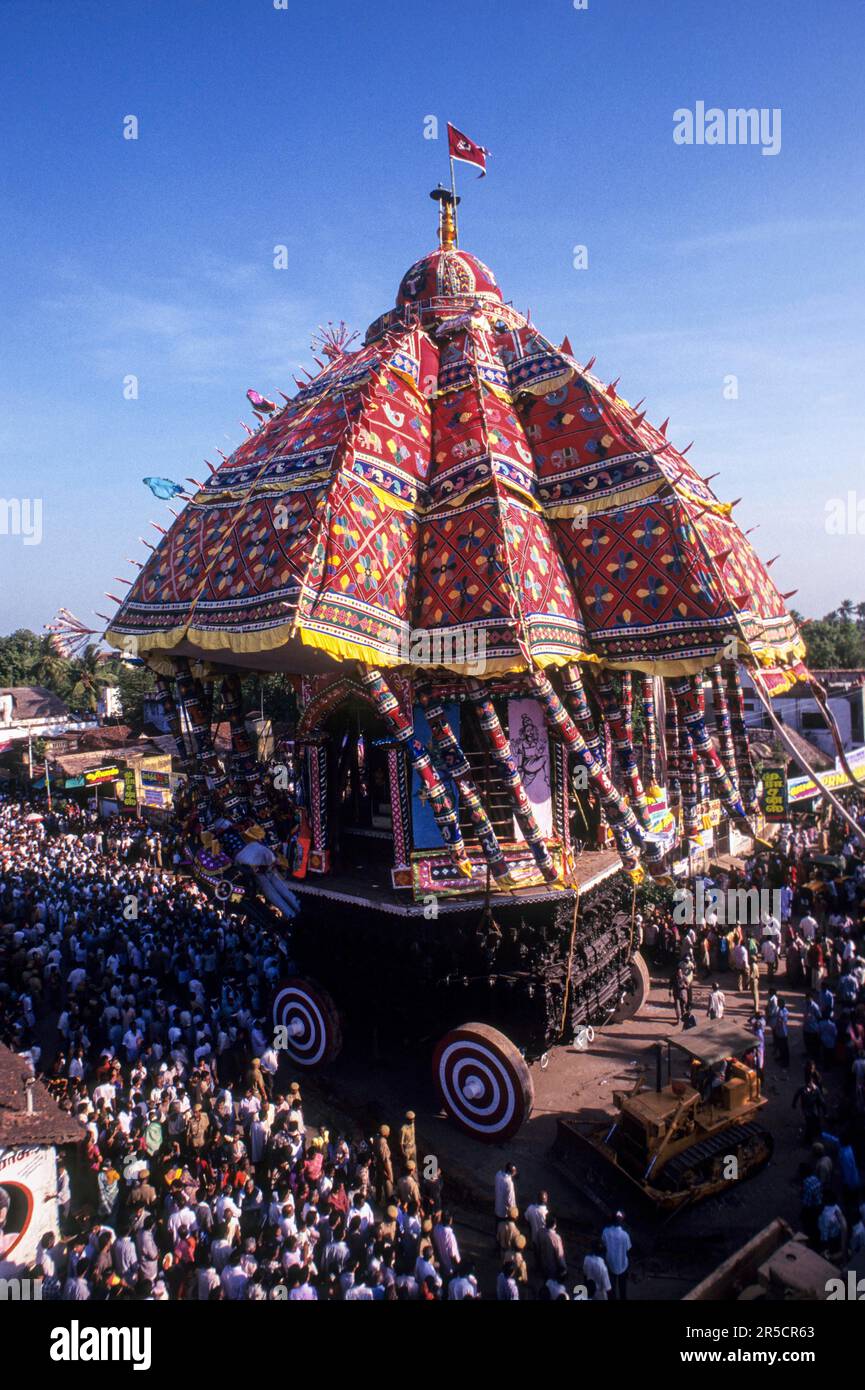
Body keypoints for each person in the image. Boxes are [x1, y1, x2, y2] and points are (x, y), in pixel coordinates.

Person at [601, 1211, 632, 1300]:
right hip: (623, 1265)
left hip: (610, 1264)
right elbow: (628, 1250)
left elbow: (603, 1247)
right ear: (622, 1221)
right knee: (623, 1289)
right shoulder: (625, 1235)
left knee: (611, 1289)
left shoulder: (605, 1232)